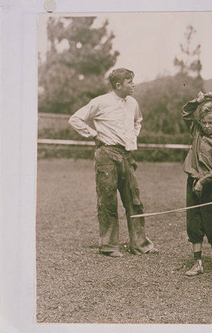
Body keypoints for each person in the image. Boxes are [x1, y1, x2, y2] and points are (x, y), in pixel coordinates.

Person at [69, 68, 156, 257]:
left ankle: (140, 244)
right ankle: (109, 246)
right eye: (130, 81)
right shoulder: (100, 102)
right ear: (118, 84)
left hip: (126, 156)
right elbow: (75, 119)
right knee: (107, 200)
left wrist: (132, 138)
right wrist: (94, 135)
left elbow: (138, 121)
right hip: (106, 154)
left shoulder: (132, 103)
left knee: (134, 200)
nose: (133, 85)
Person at [181, 91, 212, 276]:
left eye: (211, 122)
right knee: (194, 223)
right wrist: (199, 101)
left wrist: (203, 181)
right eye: (204, 122)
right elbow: (186, 113)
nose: (207, 126)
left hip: (209, 186)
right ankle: (197, 263)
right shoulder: (196, 132)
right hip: (192, 183)